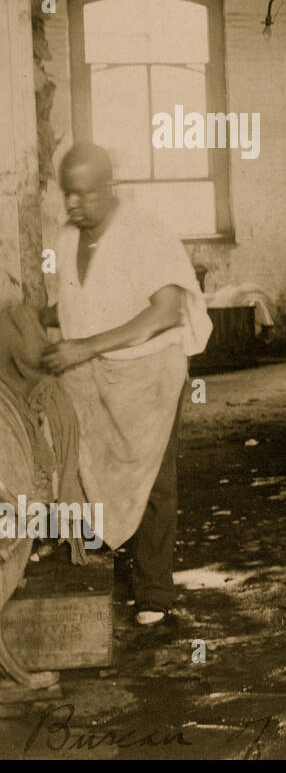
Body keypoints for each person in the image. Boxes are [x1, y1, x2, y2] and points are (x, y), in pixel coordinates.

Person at [40, 143, 212, 626]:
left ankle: (154, 590)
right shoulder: (65, 238)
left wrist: (86, 346)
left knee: (152, 475)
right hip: (96, 375)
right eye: (67, 194)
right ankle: (114, 570)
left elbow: (166, 311)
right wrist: (31, 318)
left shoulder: (145, 231)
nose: (73, 205)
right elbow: (76, 304)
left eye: (84, 194)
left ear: (108, 186)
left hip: (150, 372)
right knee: (95, 468)